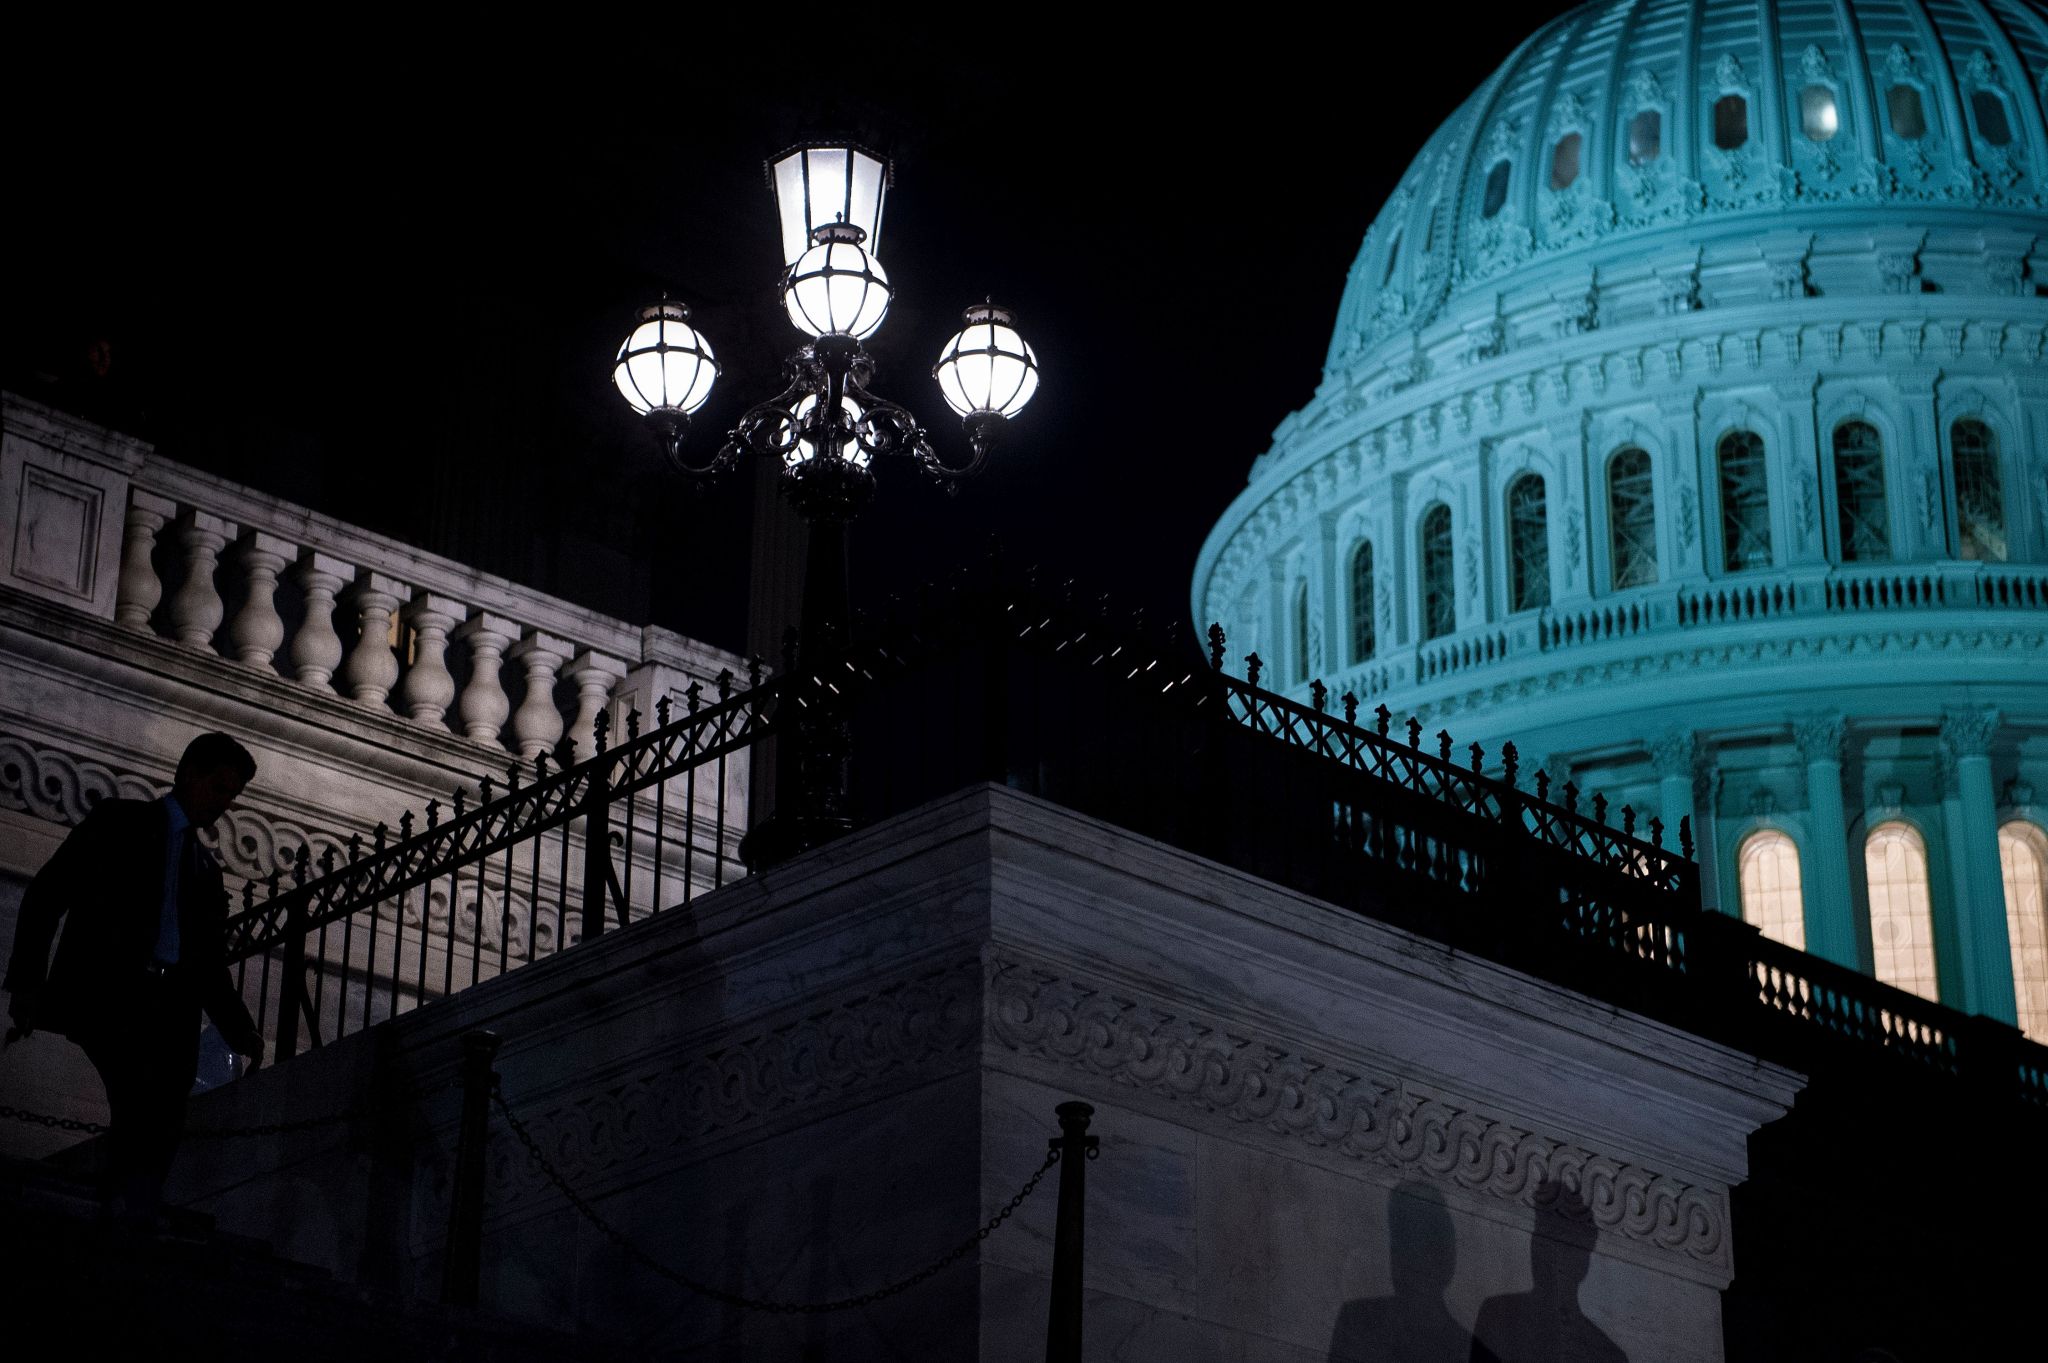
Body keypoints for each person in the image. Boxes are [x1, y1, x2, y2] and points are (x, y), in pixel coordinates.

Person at [4, 731, 267, 1226]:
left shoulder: (205, 869)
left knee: (164, 1114)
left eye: (232, 796)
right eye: (219, 788)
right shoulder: (119, 823)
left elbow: (209, 964)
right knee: (137, 1099)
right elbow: (48, 893)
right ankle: (124, 1209)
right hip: (116, 992)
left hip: (171, 1007)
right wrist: (27, 982)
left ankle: (130, 1206)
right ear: (189, 774)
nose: (223, 805)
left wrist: (239, 1029)